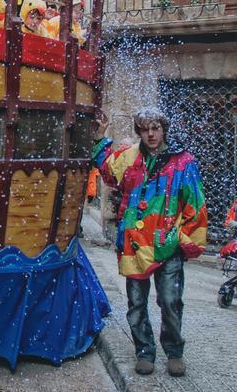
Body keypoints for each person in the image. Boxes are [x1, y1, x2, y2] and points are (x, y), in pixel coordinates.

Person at [93, 108, 207, 377]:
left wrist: (183, 239)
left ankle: (174, 351)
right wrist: (100, 135)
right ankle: (144, 351)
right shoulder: (131, 157)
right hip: (135, 244)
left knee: (170, 300)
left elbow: (195, 204)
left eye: (155, 128)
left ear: (164, 128)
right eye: (145, 129)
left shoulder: (183, 162)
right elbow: (108, 171)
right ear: (139, 132)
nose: (151, 134)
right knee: (136, 302)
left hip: (168, 245)